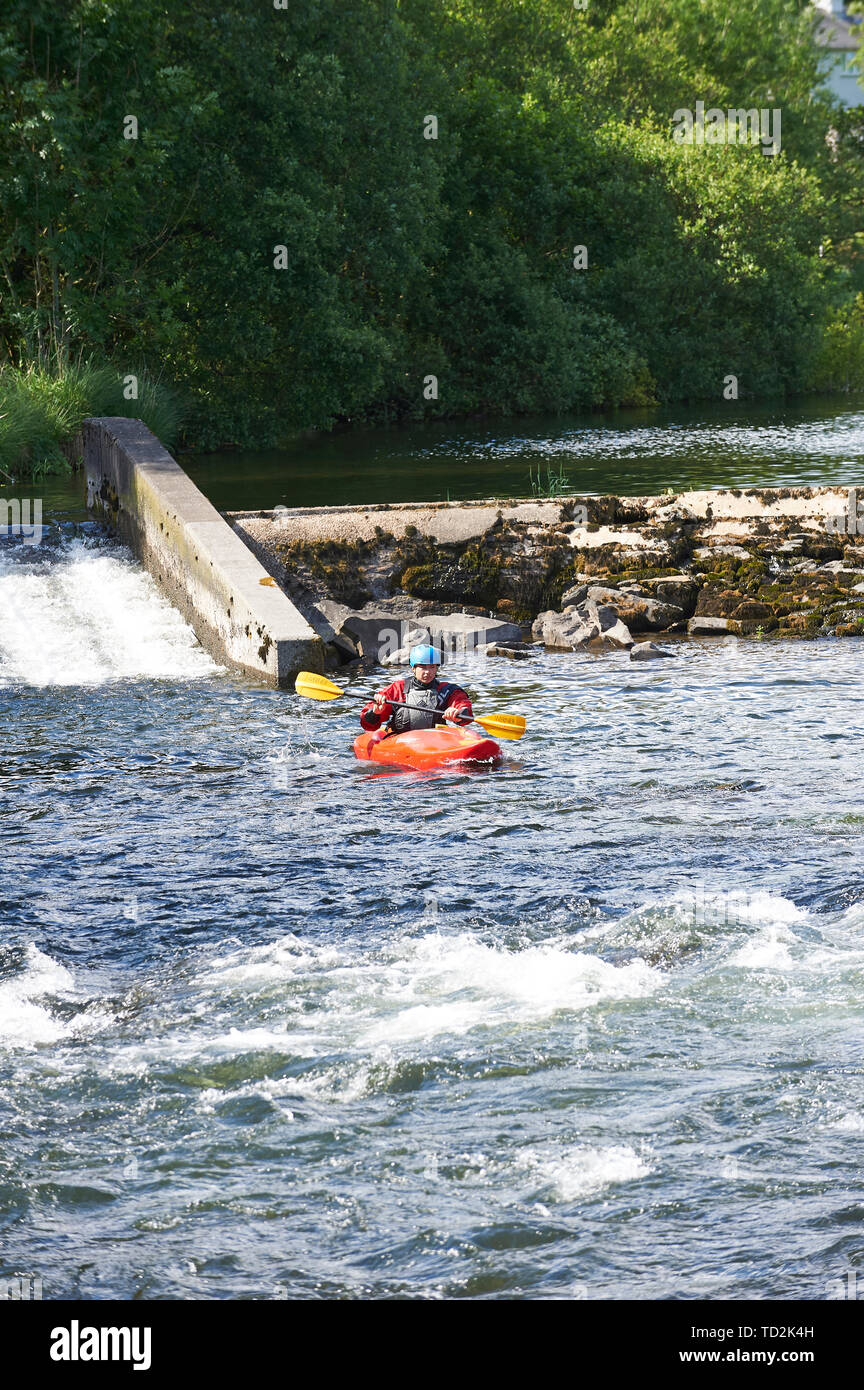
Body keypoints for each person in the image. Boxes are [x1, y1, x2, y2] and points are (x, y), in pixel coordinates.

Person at [359, 644, 473, 747]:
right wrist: (375, 713)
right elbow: (368, 725)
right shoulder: (397, 689)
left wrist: (458, 713)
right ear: (413, 668)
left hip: (434, 743)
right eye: (423, 667)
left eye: (432, 667)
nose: (428, 672)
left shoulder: (446, 690)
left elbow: (463, 706)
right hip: (401, 742)